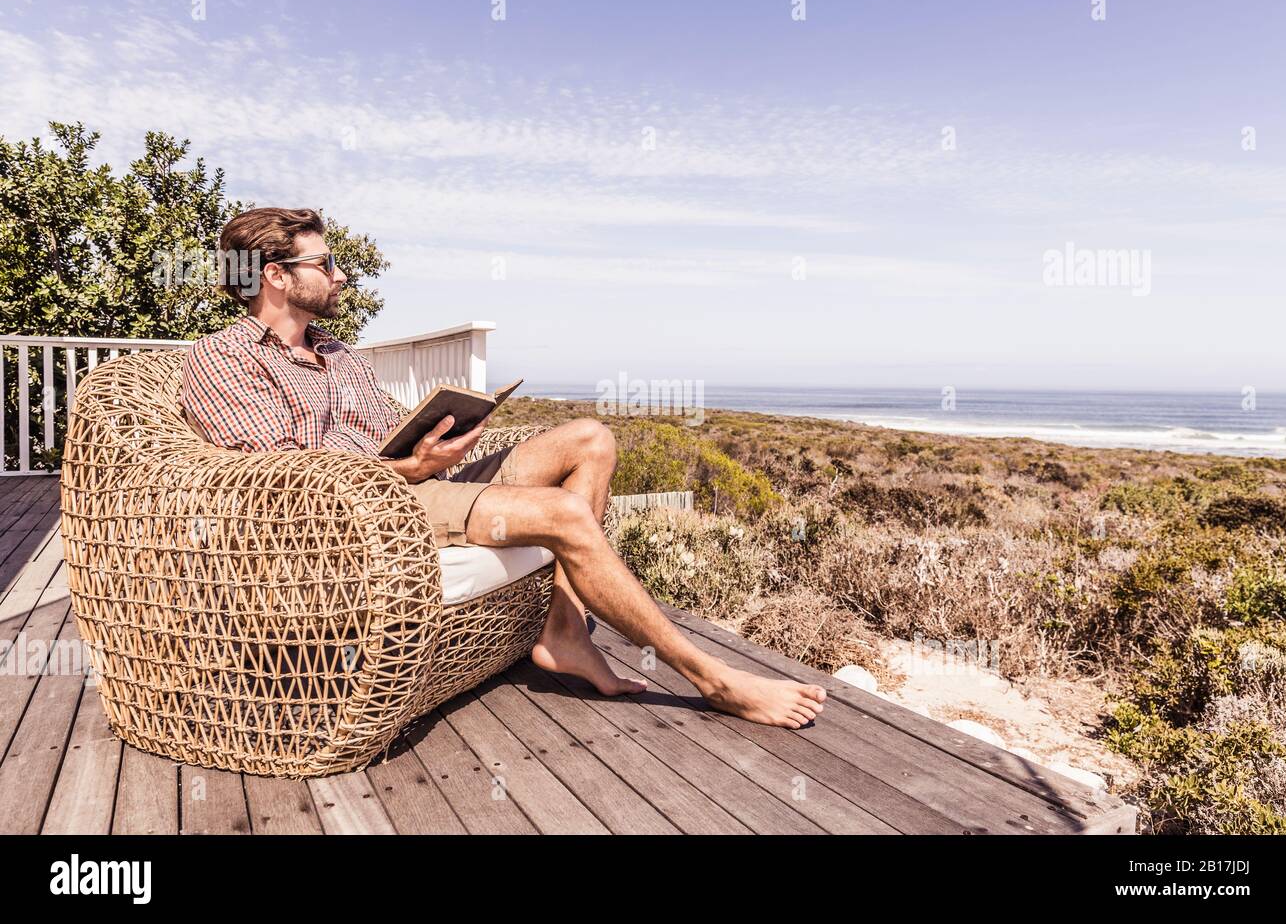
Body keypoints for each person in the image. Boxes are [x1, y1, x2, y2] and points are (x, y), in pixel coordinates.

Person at [181, 207, 826, 728]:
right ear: (275, 276)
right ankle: (715, 679)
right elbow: (285, 487)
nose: (342, 277)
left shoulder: (339, 356)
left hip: (417, 480)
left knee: (589, 438)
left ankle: (565, 631)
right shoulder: (223, 361)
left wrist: (444, 433)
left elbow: (386, 433)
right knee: (566, 515)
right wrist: (411, 471)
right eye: (325, 264)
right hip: (366, 512)